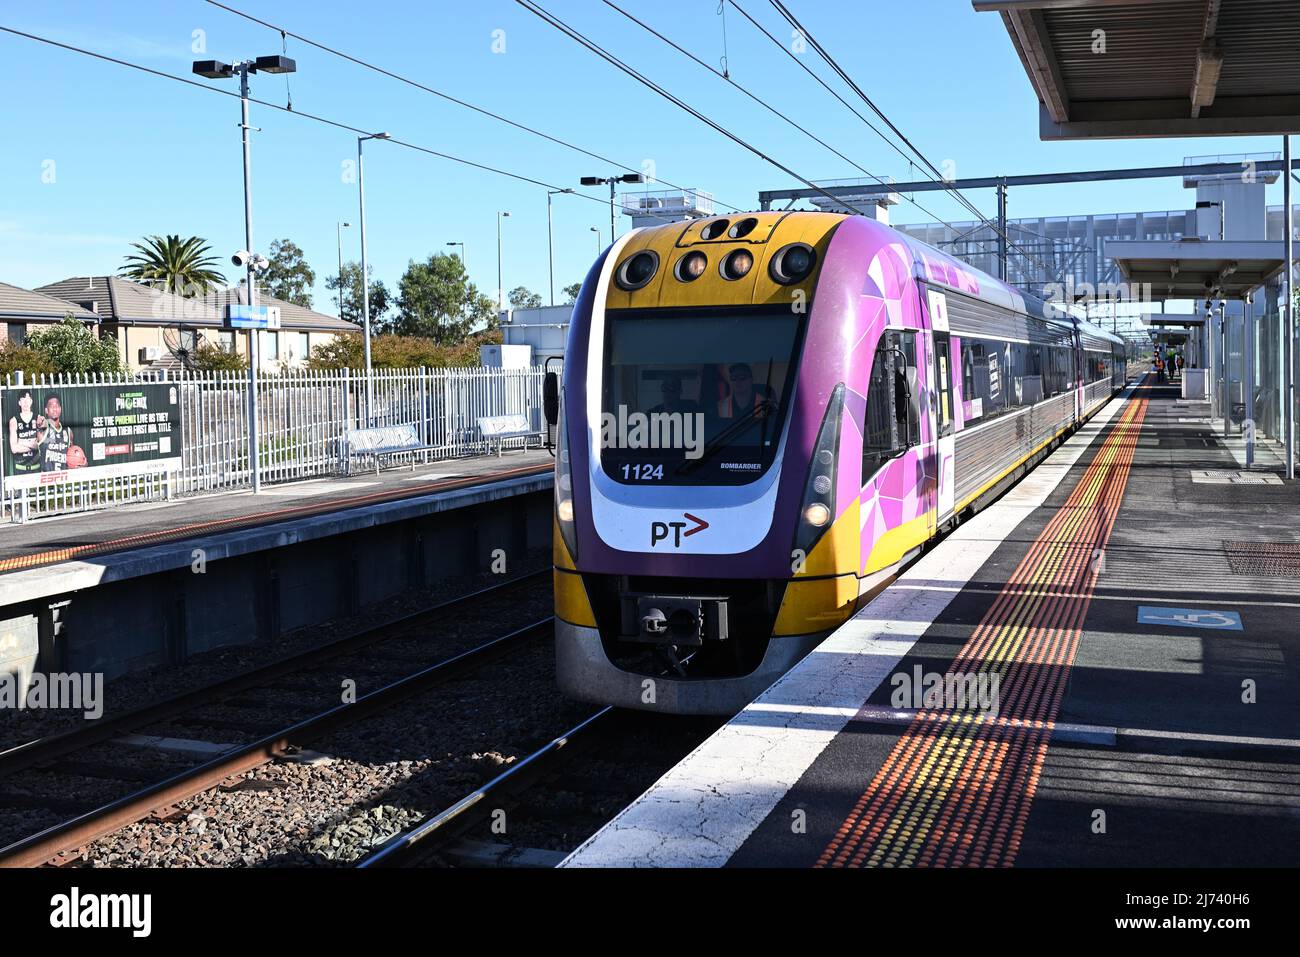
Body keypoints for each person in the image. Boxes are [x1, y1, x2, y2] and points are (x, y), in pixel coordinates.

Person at [6, 389, 41, 474]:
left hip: (36, 467)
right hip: (20, 467)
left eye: (28, 399)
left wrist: (21, 442)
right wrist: (32, 443)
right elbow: (14, 449)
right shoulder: (14, 421)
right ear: (19, 403)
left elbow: (40, 445)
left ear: (31, 401)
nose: (25, 402)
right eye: (23, 399)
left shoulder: (38, 418)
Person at [37, 393, 73, 472]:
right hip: (47, 481)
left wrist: (79, 462)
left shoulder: (68, 431)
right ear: (46, 410)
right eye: (51, 406)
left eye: (56, 406)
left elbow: (71, 455)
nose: (54, 409)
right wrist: (39, 424)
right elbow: (41, 425)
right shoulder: (44, 429)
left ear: (60, 409)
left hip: (64, 480)